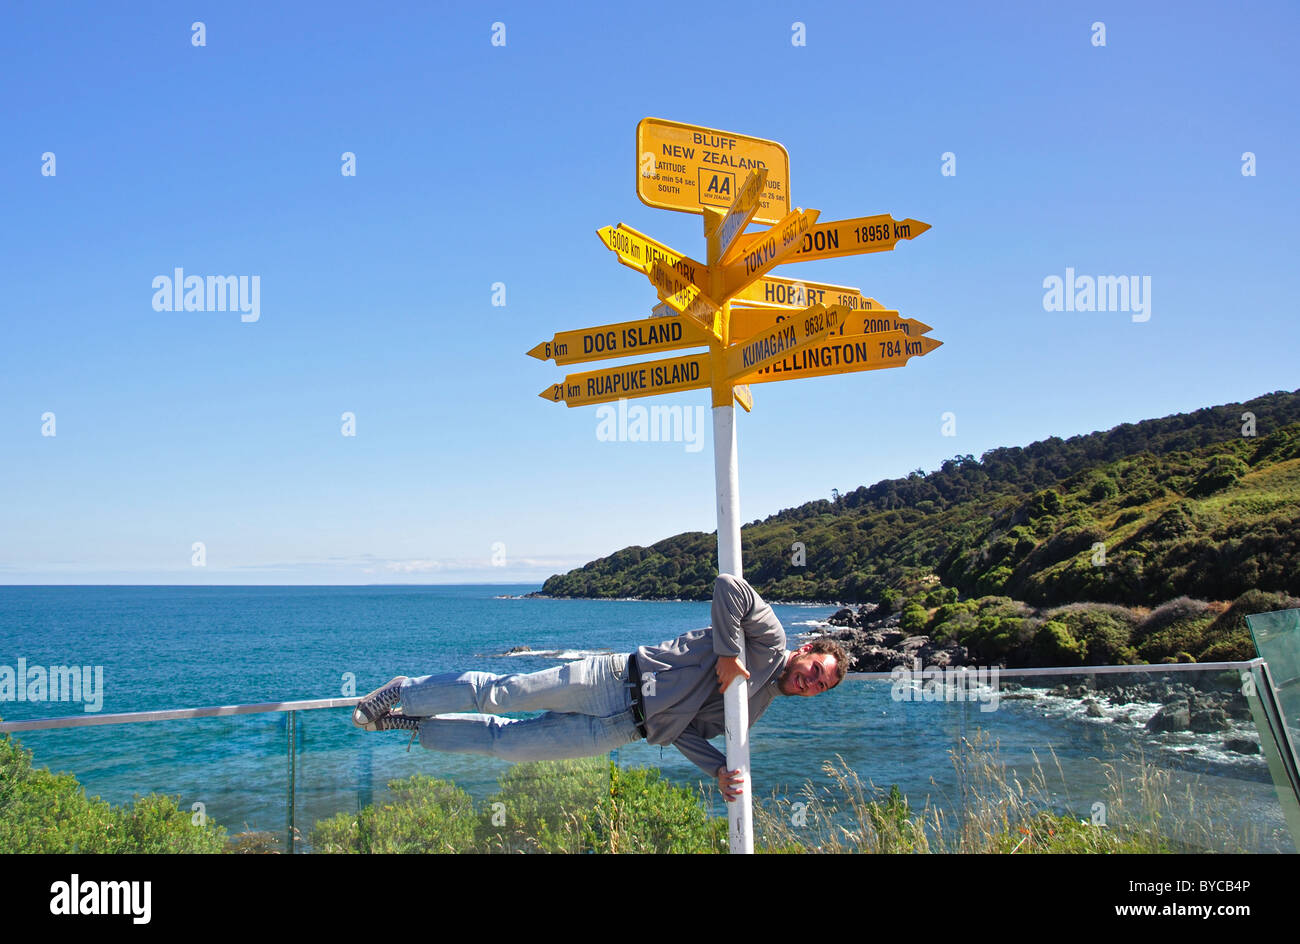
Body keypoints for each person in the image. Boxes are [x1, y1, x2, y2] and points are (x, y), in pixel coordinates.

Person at [352, 573, 848, 800]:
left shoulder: (751, 711)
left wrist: (718, 770)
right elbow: (729, 587)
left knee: (510, 745)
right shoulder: (771, 639)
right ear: (807, 651)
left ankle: (413, 725)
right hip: (611, 680)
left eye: (819, 687)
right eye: (816, 669)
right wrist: (727, 653)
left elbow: (684, 732)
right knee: (501, 692)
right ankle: (406, 691)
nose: (810, 682)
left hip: (620, 733)